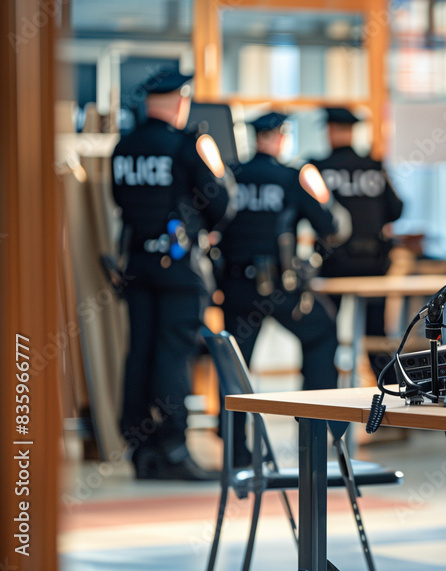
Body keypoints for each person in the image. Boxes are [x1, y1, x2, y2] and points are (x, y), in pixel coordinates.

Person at [112, 69, 235, 480]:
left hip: (136, 264)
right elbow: (219, 205)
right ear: (180, 102)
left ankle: (140, 448)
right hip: (179, 269)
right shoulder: (187, 146)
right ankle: (174, 448)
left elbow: (118, 200)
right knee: (174, 354)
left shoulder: (124, 146)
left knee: (140, 352)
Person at [216, 112, 344, 466]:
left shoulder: (231, 174)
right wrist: (321, 192)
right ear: (281, 137)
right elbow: (332, 227)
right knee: (322, 334)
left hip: (236, 288)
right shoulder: (291, 177)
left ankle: (234, 448)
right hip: (279, 291)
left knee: (234, 365)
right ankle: (316, 430)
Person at [311, 107, 403, 370]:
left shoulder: (319, 170)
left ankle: (322, 398)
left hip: (333, 263)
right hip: (373, 263)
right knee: (377, 337)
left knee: (325, 334)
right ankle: (390, 396)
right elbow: (396, 210)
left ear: (329, 131)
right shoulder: (373, 167)